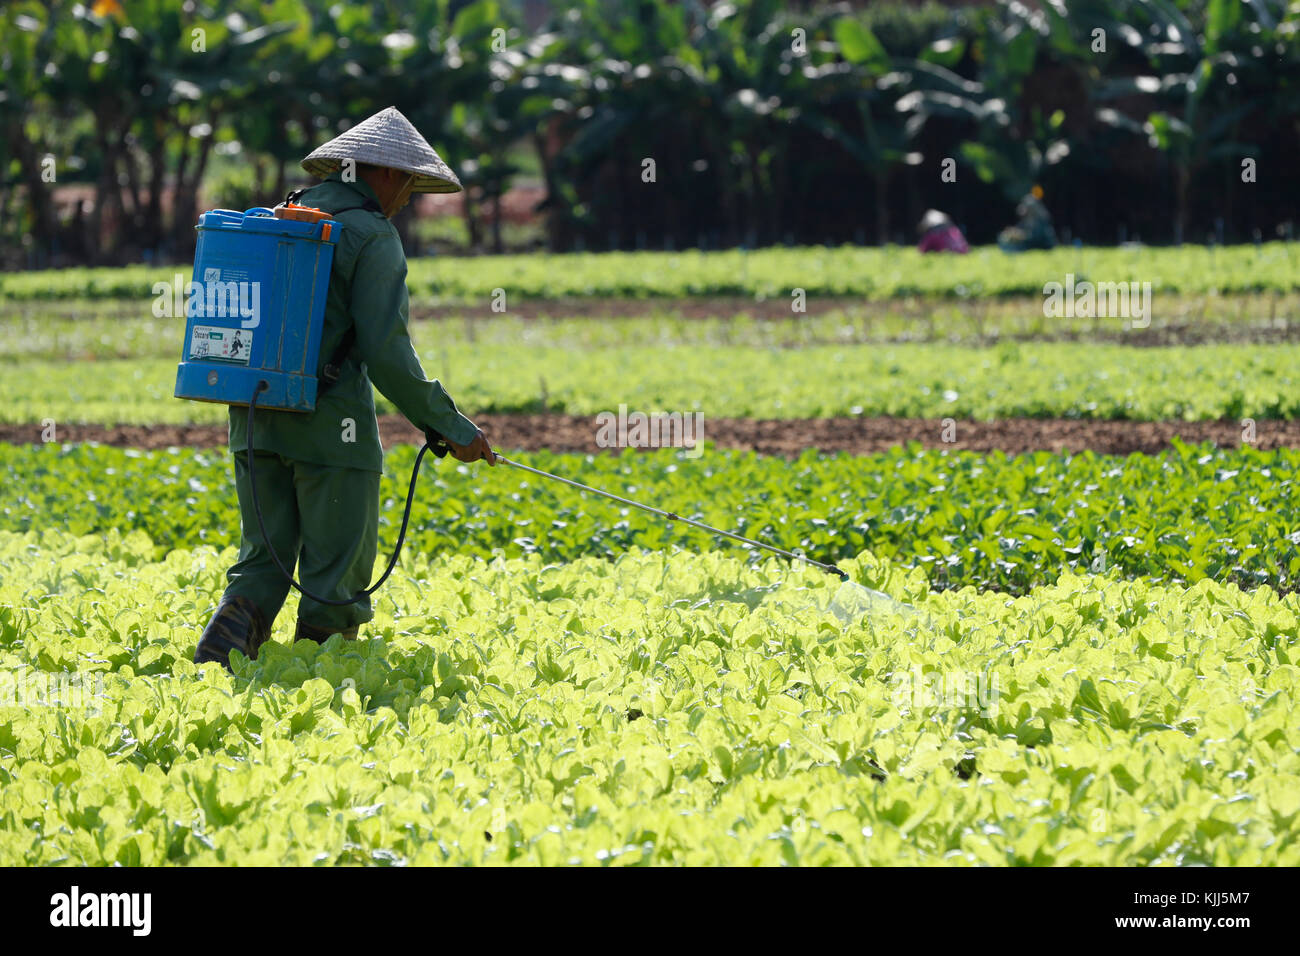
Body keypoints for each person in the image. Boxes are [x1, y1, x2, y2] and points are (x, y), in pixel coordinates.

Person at [194, 106, 496, 670]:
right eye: (406, 182)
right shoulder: (371, 236)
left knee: (261, 561)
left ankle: (216, 666)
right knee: (336, 574)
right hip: (333, 430)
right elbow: (387, 354)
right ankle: (320, 681)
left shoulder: (284, 216)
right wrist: (452, 427)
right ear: (383, 172)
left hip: (254, 416)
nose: (406, 196)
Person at [998, 185, 1057, 252]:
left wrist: (1020, 236)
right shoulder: (1026, 221)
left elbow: (1036, 238)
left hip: (1042, 245)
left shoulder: (1041, 221)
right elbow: (1021, 230)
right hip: (1032, 244)